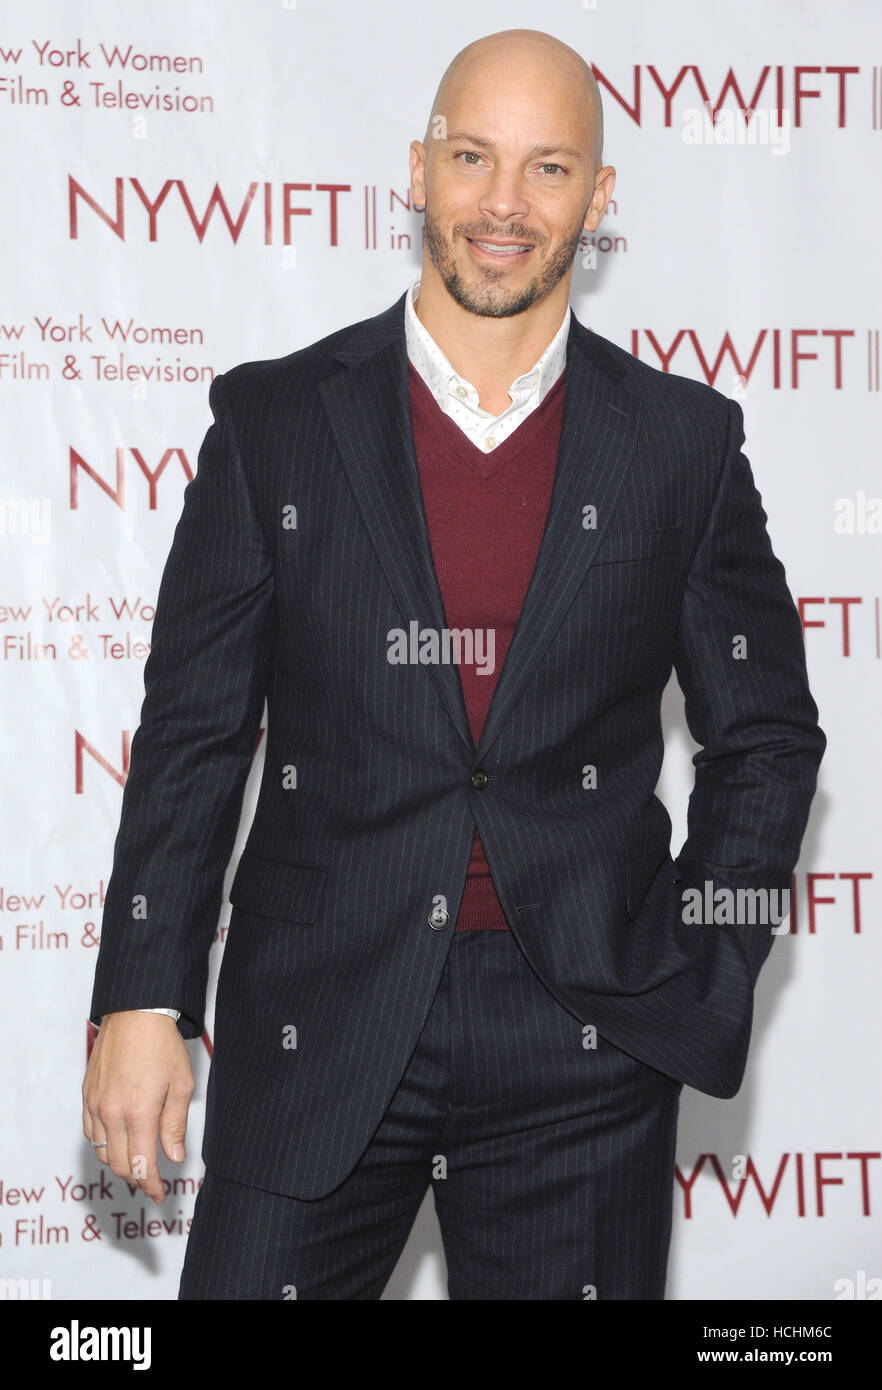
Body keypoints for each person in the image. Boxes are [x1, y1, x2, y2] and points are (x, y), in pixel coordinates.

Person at [83, 28, 825, 1300]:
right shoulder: (275, 425)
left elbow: (768, 740)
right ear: (416, 169)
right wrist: (145, 996)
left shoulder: (682, 445)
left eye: (548, 170)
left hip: (583, 1037)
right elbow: (196, 733)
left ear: (598, 200)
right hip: (321, 1010)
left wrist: (701, 967)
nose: (503, 202)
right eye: (474, 156)